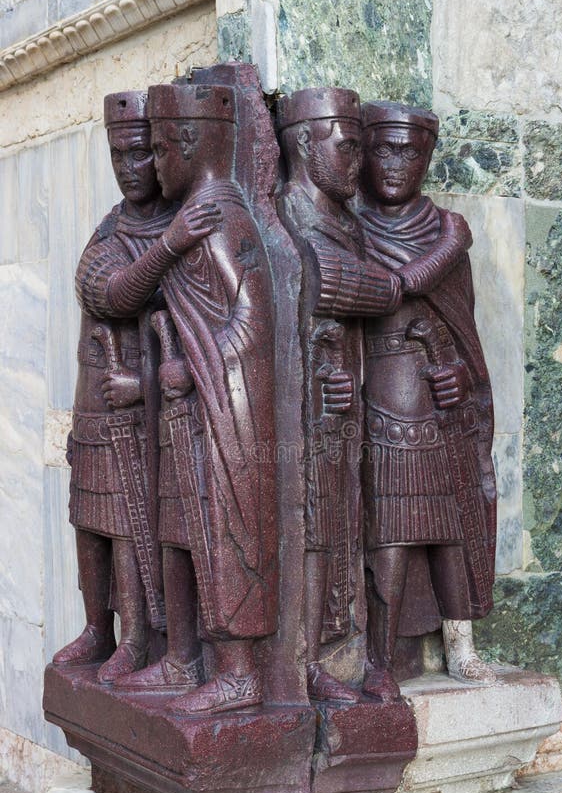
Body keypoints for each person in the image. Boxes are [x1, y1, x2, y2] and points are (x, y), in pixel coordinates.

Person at [113, 83, 279, 715]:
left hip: (219, 412)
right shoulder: (192, 218)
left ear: (189, 144)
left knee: (221, 535)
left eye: (158, 150)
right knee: (180, 533)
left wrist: (193, 368)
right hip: (187, 412)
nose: (152, 167)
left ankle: (239, 674)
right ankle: (182, 659)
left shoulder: (217, 216)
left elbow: (251, 319)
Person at [358, 101, 497, 700]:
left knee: (451, 532)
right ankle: (380, 656)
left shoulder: (445, 231)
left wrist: (462, 378)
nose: (395, 163)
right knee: (388, 535)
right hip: (380, 403)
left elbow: (467, 329)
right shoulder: (349, 228)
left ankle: (462, 645)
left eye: (409, 151)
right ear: (363, 152)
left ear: (426, 158)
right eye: (383, 148)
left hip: (440, 410)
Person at [276, 87, 403, 703]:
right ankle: (306, 664)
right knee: (312, 534)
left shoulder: (343, 224)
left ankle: (340, 651)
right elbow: (327, 285)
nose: (359, 161)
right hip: (301, 419)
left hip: (344, 416)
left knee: (344, 531)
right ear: (303, 141)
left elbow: (373, 290)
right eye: (347, 144)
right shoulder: (286, 219)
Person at [53, 91, 183, 683]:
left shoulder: (179, 225)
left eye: (141, 155)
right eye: (119, 157)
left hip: (146, 402)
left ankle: (134, 637)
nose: (131, 170)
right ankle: (96, 628)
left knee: (131, 523)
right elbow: (109, 292)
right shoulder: (112, 227)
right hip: (97, 397)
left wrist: (148, 382)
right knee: (89, 518)